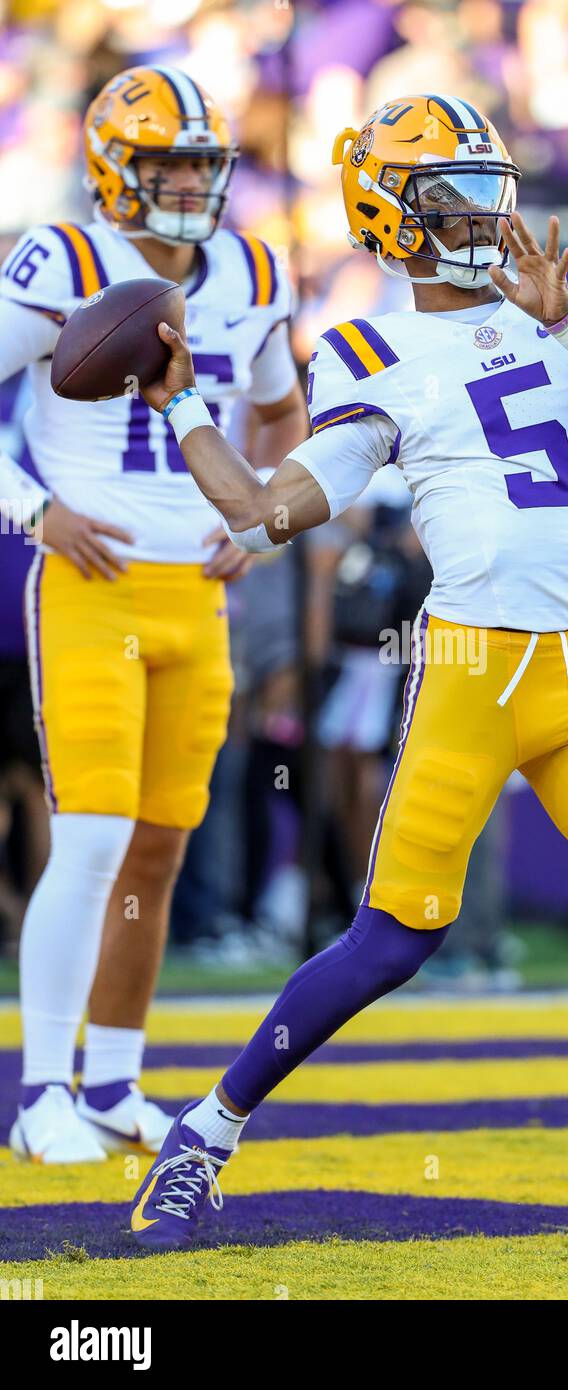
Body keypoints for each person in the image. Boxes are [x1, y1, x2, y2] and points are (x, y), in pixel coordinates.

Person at [128, 94, 568, 1261]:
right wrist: (184, 403)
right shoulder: (366, 350)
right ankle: (201, 1134)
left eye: (481, 185)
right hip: (470, 665)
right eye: (443, 193)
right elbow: (262, 509)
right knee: (396, 939)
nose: (479, 212)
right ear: (388, 216)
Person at [0, 65, 307, 1163]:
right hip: (91, 584)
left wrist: (263, 520)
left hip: (200, 588)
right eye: (166, 163)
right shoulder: (65, 258)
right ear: (111, 167)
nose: (187, 183)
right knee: (86, 839)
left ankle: (114, 1082)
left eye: (200, 164)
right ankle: (41, 1091)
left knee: (162, 847)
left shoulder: (260, 269)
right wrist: (36, 510)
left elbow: (280, 412)